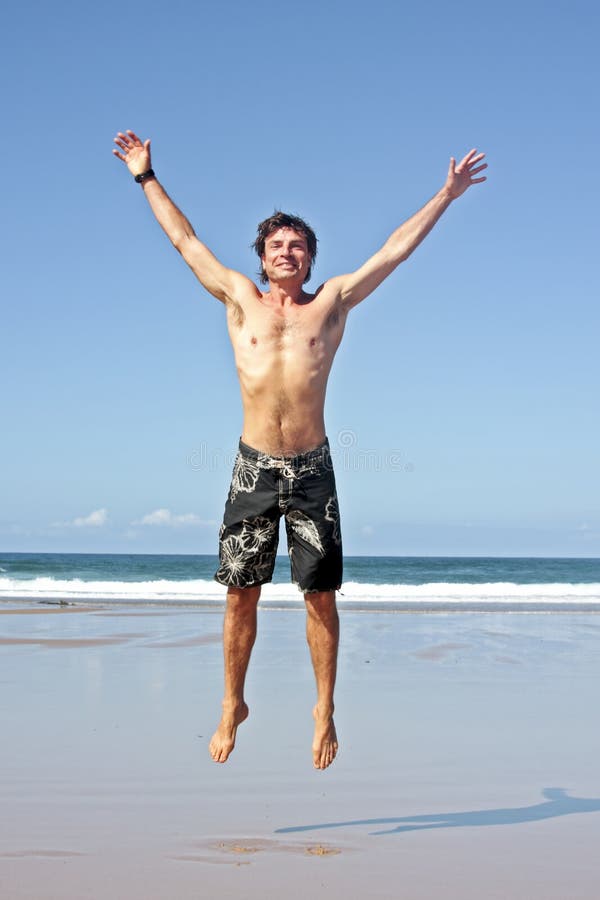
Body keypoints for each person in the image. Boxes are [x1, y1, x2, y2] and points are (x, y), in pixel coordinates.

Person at [112, 131, 487, 769]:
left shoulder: (331, 304)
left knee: (320, 595)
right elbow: (184, 240)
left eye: (299, 246)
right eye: (277, 245)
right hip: (254, 466)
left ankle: (324, 708)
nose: (288, 253)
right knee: (240, 593)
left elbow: (394, 252)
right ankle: (233, 702)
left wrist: (445, 196)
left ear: (311, 260)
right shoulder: (238, 298)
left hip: (312, 468)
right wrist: (146, 176)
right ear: (261, 257)